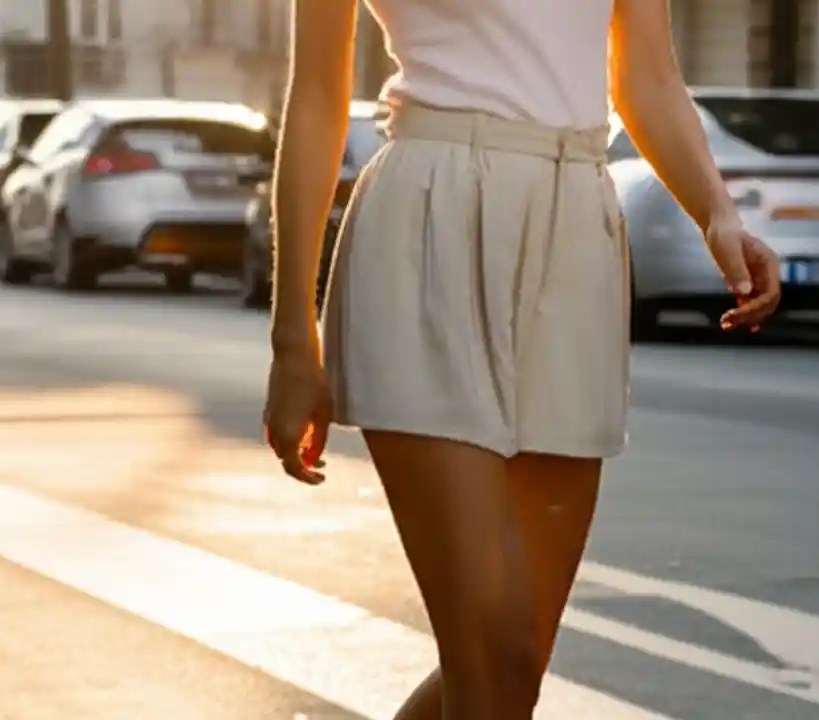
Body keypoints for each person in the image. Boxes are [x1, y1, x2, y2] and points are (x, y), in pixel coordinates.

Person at [264, 0, 782, 717]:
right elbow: (318, 94)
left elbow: (648, 78)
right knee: (492, 652)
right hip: (424, 221)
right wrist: (294, 334)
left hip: (575, 224)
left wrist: (717, 212)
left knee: (512, 673)